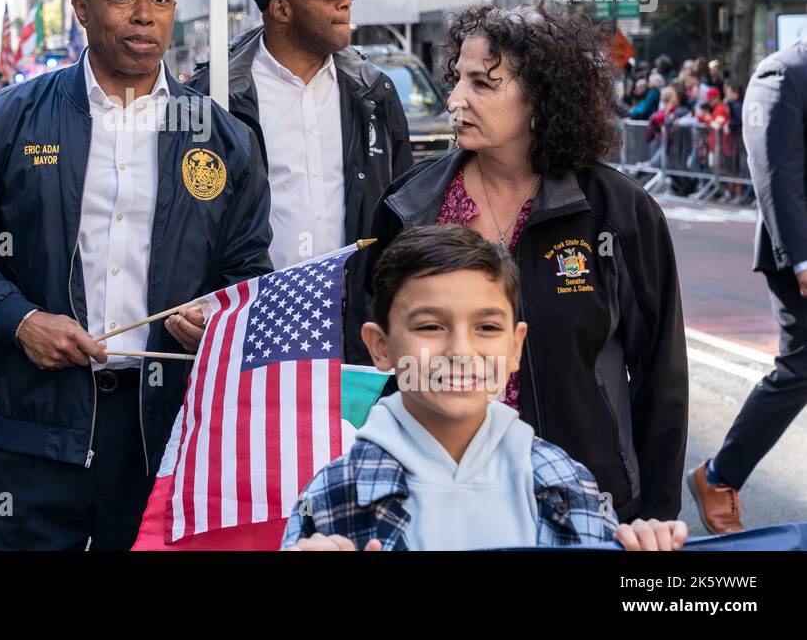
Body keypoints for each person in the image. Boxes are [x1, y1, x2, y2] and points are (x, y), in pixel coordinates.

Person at [0, 0, 273, 551]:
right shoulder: (6, 120)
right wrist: (21, 320)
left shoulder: (220, 135)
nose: (144, 15)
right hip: (36, 425)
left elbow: (246, 269)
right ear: (81, 10)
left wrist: (213, 317)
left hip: (167, 428)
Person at [352, 3, 688, 522]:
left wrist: (655, 516)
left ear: (542, 100)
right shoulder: (408, 205)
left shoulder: (619, 213)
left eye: (483, 84)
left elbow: (661, 380)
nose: (456, 99)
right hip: (433, 499)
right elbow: (370, 354)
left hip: (581, 504)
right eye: (457, 79)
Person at [284, 226, 689, 552]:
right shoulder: (332, 497)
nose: (461, 351)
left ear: (515, 346)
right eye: (430, 326)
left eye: (487, 328)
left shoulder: (565, 482)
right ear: (381, 346)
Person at [187, 0, 412, 335]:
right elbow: (189, 218)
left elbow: (405, 207)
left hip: (357, 321)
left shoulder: (375, 92)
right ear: (281, 10)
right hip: (254, 320)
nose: (344, 4)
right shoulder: (217, 94)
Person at [690, 38, 807, 534]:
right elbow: (774, 172)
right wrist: (801, 258)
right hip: (798, 251)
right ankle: (719, 476)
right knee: (802, 366)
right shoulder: (782, 74)